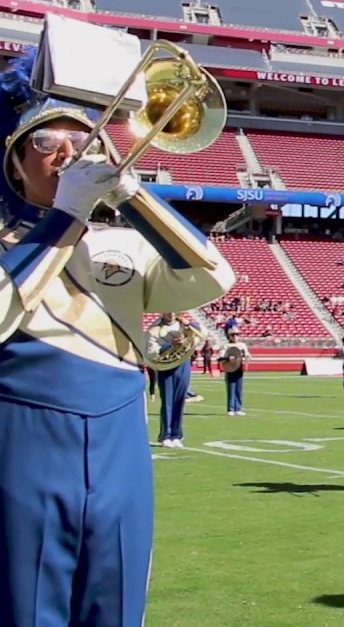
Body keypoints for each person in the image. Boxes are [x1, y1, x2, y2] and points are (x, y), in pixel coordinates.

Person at [0, 46, 234, 625]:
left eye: (80, 143)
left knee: (119, 597)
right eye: (45, 144)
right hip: (26, 435)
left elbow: (214, 277)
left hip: (120, 439)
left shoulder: (126, 244)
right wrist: (66, 214)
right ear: (13, 164)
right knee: (26, 602)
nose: (66, 154)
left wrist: (131, 195)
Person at [146, 311, 205, 447]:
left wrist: (188, 324)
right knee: (168, 401)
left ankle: (177, 434)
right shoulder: (155, 329)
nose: (171, 314)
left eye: (173, 311)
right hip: (166, 366)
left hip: (183, 363)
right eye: (168, 311)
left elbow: (201, 333)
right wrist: (170, 345)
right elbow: (151, 350)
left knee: (180, 400)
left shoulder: (184, 325)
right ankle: (165, 435)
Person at [218, 325, 252, 415]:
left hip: (239, 368)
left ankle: (238, 408)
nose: (235, 337)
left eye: (237, 334)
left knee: (239, 389)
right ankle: (231, 408)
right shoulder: (226, 346)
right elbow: (220, 358)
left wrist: (247, 356)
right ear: (229, 336)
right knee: (231, 388)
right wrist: (228, 358)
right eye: (233, 335)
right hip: (230, 369)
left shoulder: (242, 345)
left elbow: (247, 355)